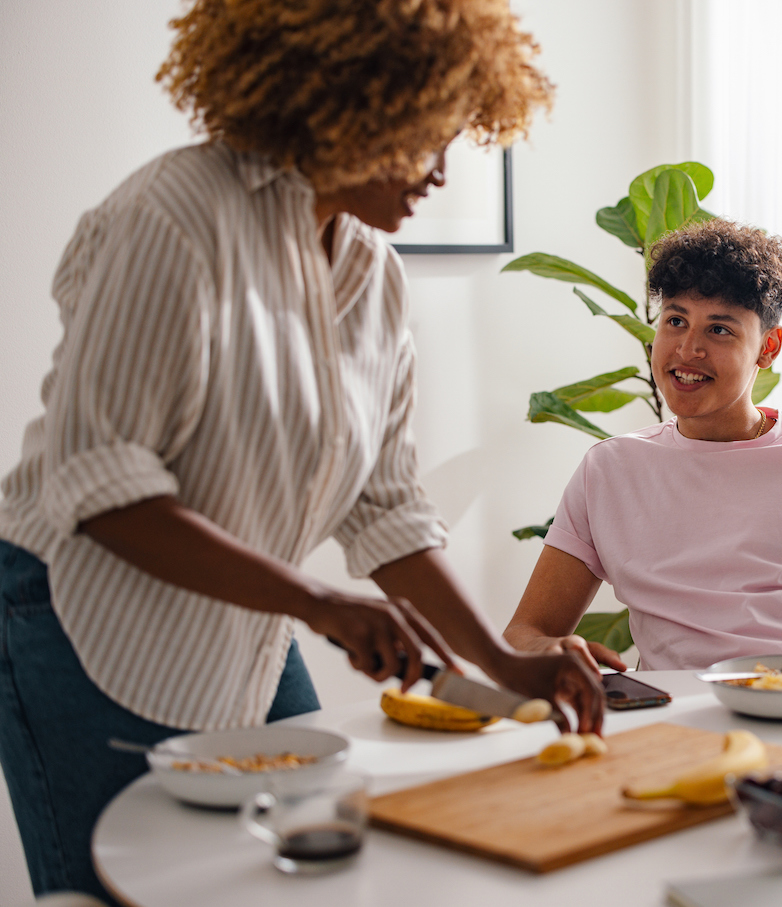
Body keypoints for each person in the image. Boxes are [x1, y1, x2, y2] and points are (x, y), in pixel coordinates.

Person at [0, 2, 602, 901]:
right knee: (118, 889)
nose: (440, 173)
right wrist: (320, 600)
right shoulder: (172, 216)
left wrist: (501, 662)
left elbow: (386, 509)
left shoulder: (372, 271)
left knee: (294, 875)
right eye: (419, 139)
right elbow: (100, 480)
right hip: (80, 610)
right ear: (339, 104)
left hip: (248, 615)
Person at [505, 218, 782, 705]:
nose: (688, 349)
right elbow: (525, 634)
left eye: (719, 330)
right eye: (675, 321)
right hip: (680, 727)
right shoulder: (610, 469)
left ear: (768, 347)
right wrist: (549, 652)